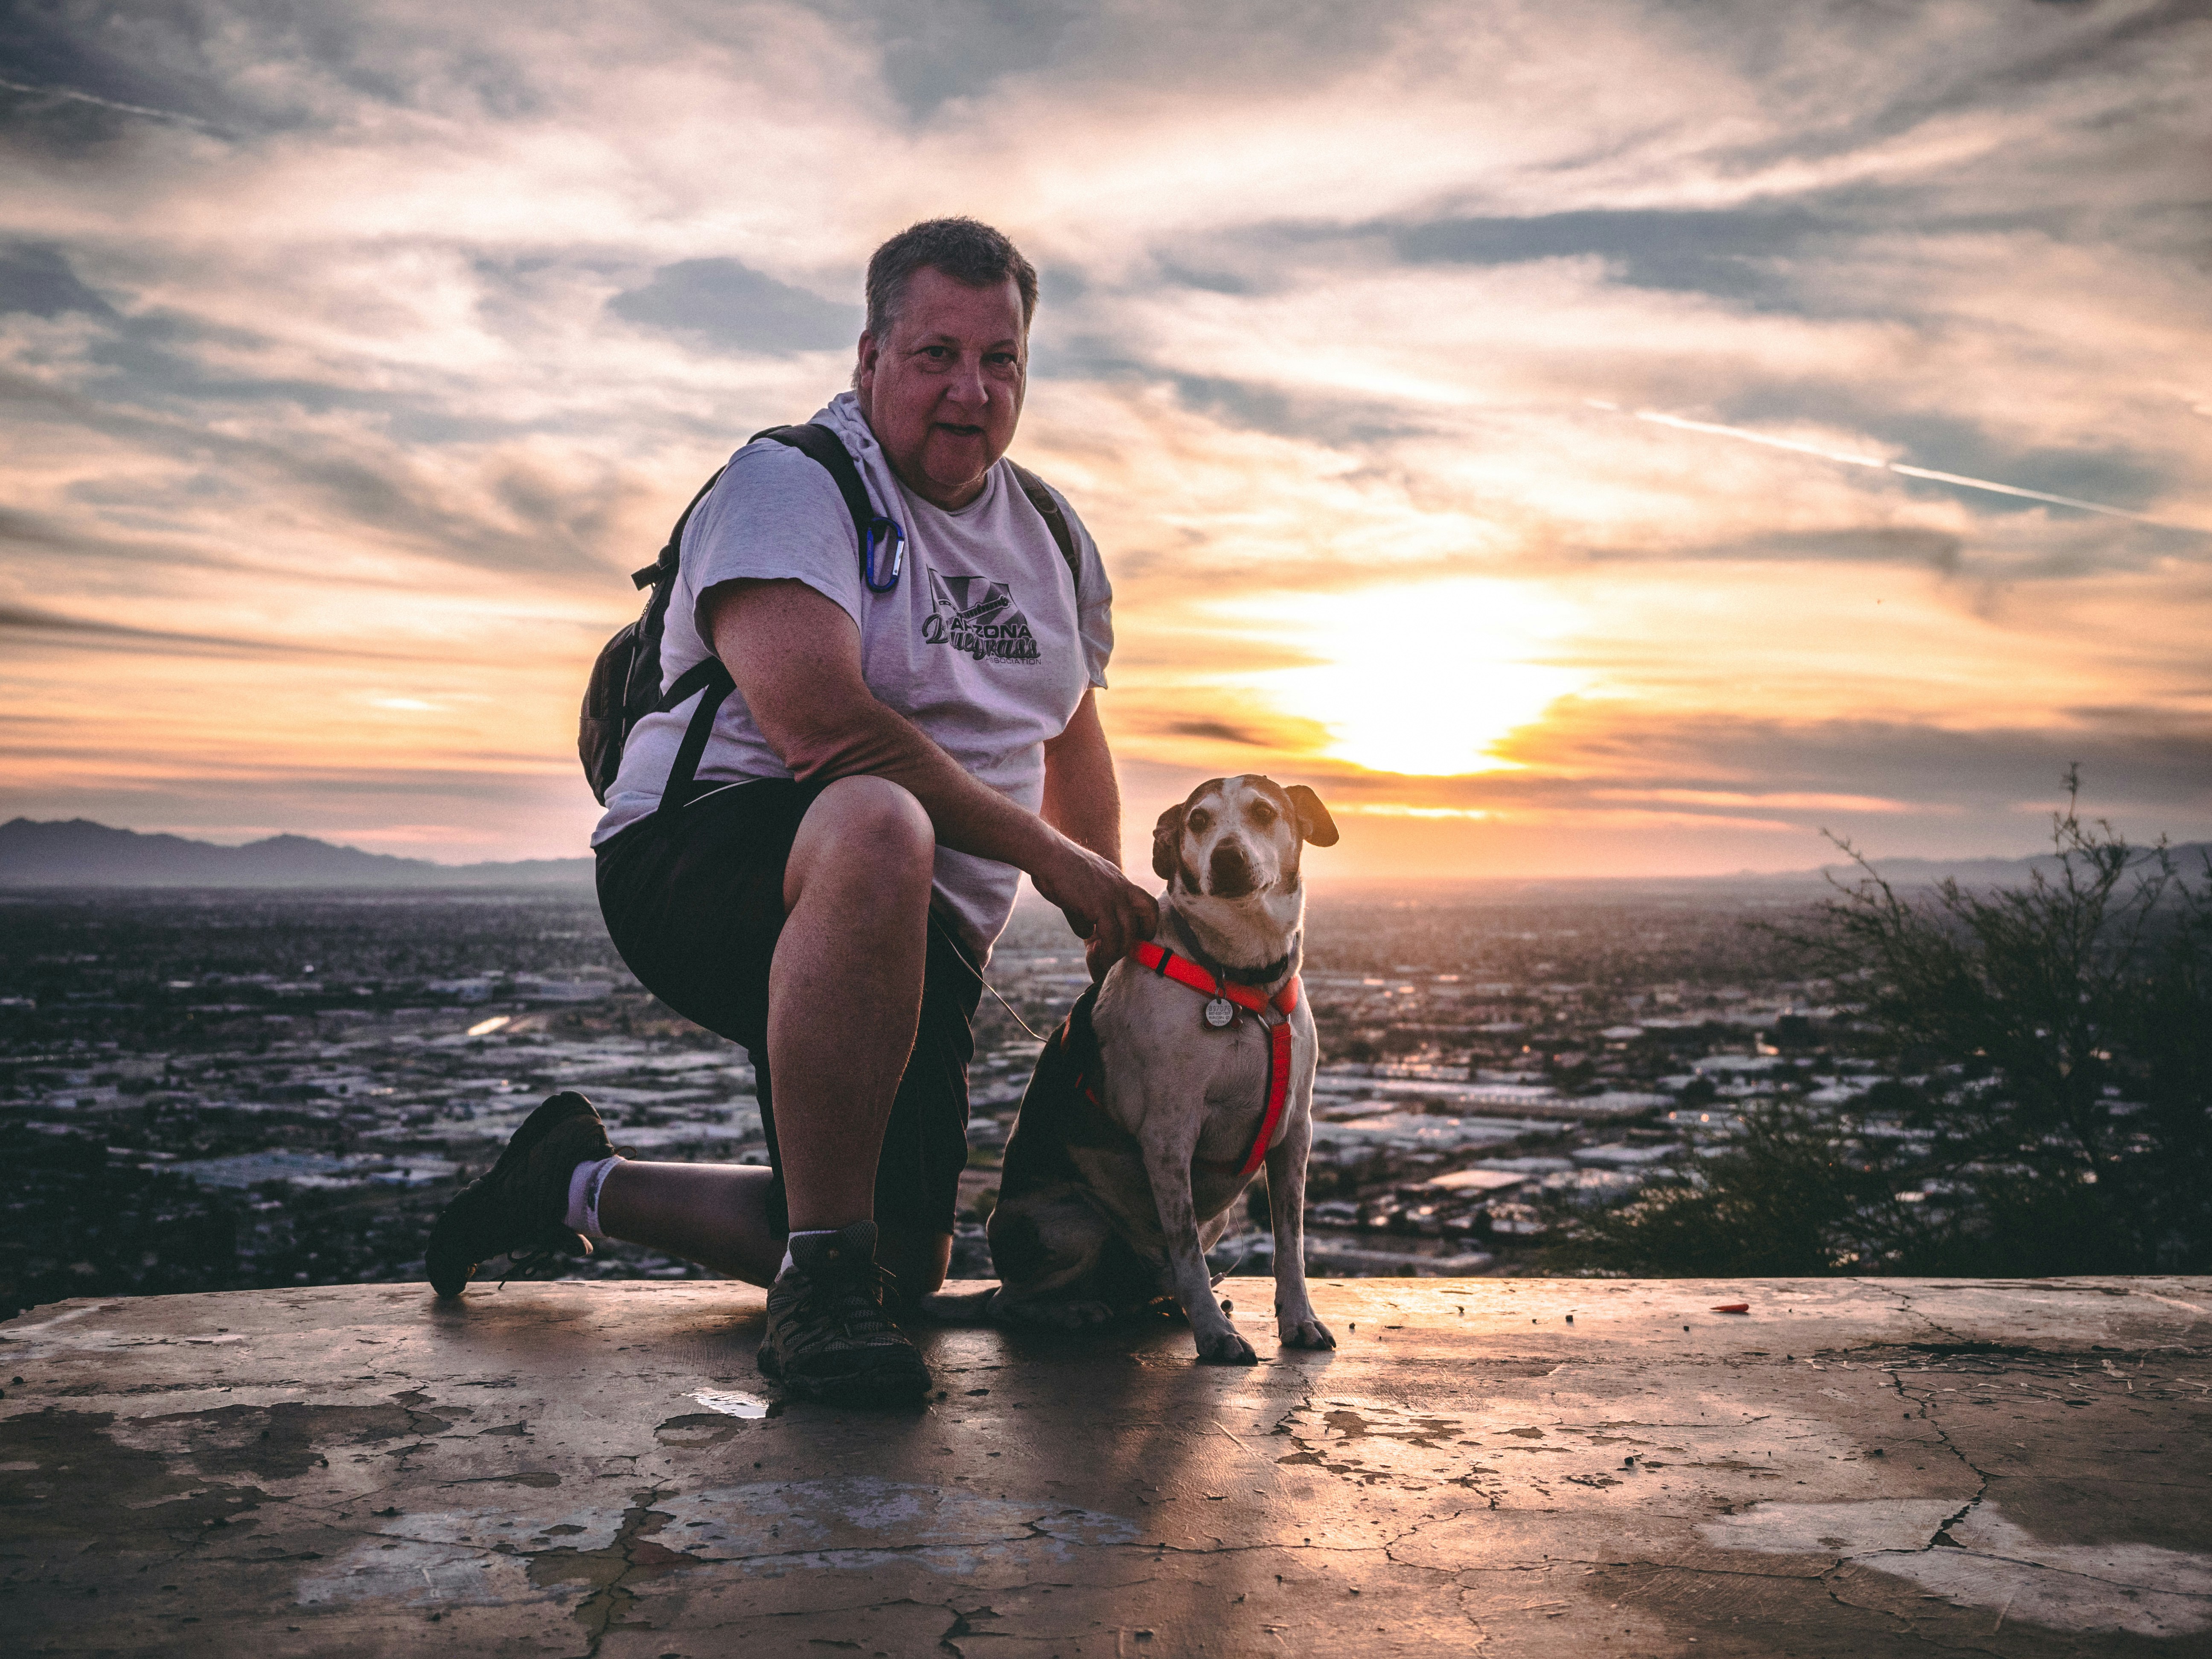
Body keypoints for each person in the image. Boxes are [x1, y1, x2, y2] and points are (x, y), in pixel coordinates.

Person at [424, 217, 1157, 1405]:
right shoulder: (794, 484)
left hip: (911, 928)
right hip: (712, 859)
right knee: (879, 817)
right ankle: (815, 1295)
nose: (971, 390)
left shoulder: (1053, 539)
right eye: (936, 355)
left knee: (909, 1261)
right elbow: (827, 729)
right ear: (871, 357)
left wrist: (1107, 934)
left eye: (1002, 359)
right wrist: (1058, 868)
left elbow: (1071, 734)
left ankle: (574, 1185)